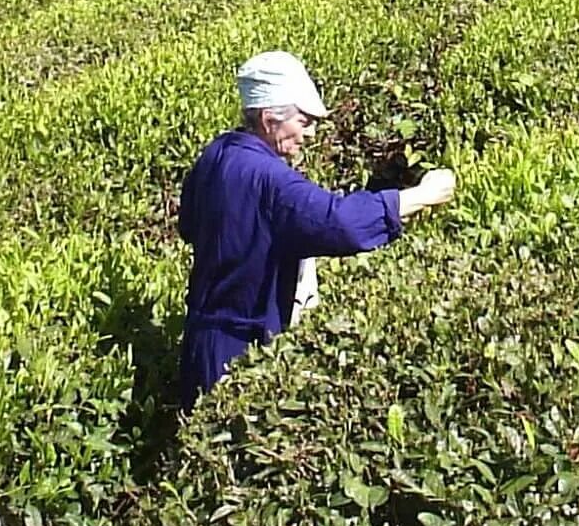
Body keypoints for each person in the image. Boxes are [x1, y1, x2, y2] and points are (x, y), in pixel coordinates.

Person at [176, 50, 457, 410]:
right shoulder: (270, 178)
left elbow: (189, 226)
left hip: (200, 340)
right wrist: (422, 196)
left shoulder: (217, 154)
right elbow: (339, 222)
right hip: (238, 350)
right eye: (303, 122)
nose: (310, 134)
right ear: (268, 119)